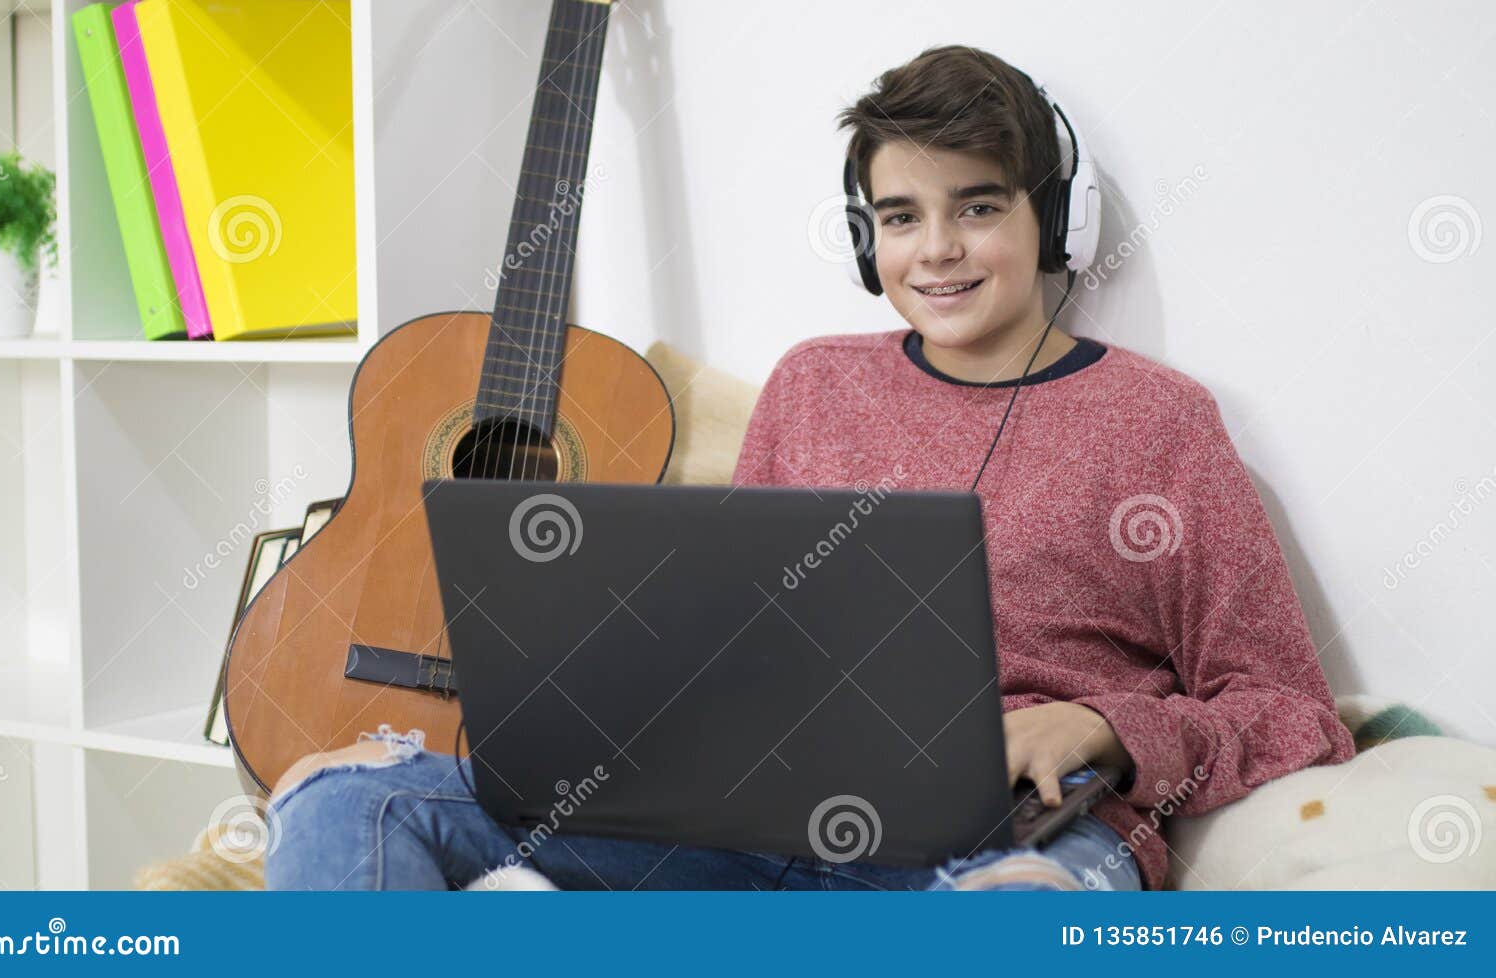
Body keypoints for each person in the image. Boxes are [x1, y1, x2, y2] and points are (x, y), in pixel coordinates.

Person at [263, 45, 1355, 892]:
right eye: (899, 216)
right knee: (345, 796)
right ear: (860, 235)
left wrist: (1109, 729)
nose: (936, 248)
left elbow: (1295, 710)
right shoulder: (813, 383)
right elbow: (747, 632)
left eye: (977, 206)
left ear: (1051, 218)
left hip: (1004, 834)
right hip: (751, 820)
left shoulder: (1156, 420)